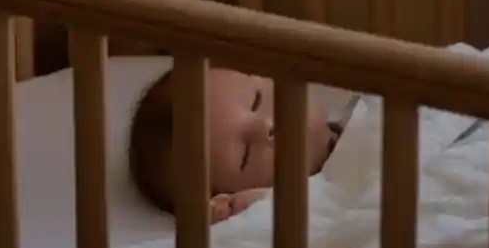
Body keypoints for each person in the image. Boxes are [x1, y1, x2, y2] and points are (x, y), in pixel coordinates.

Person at [128, 67, 344, 223]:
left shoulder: (368, 110)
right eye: (245, 155)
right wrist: (248, 204)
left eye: (256, 101)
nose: (265, 126)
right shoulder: (313, 207)